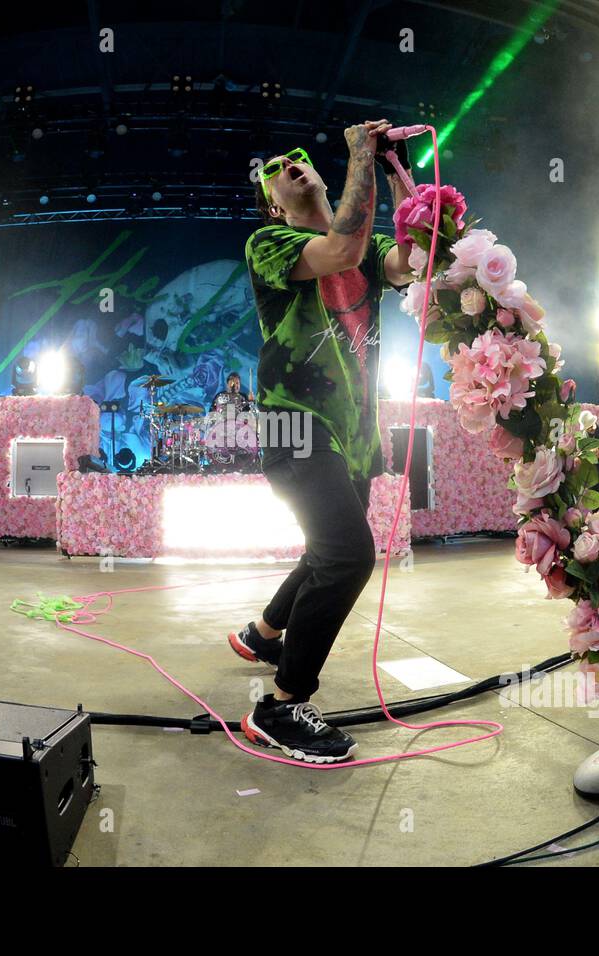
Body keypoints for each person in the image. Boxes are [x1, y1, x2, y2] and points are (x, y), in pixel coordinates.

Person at [227, 120, 413, 764]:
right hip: (294, 423)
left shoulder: (370, 246)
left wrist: (395, 172)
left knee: (326, 549)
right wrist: (361, 155)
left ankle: (263, 634)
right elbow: (340, 252)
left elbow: (412, 259)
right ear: (274, 204)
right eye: (275, 167)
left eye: (300, 157)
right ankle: (280, 707)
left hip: (354, 435)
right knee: (349, 555)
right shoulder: (269, 242)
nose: (290, 162)